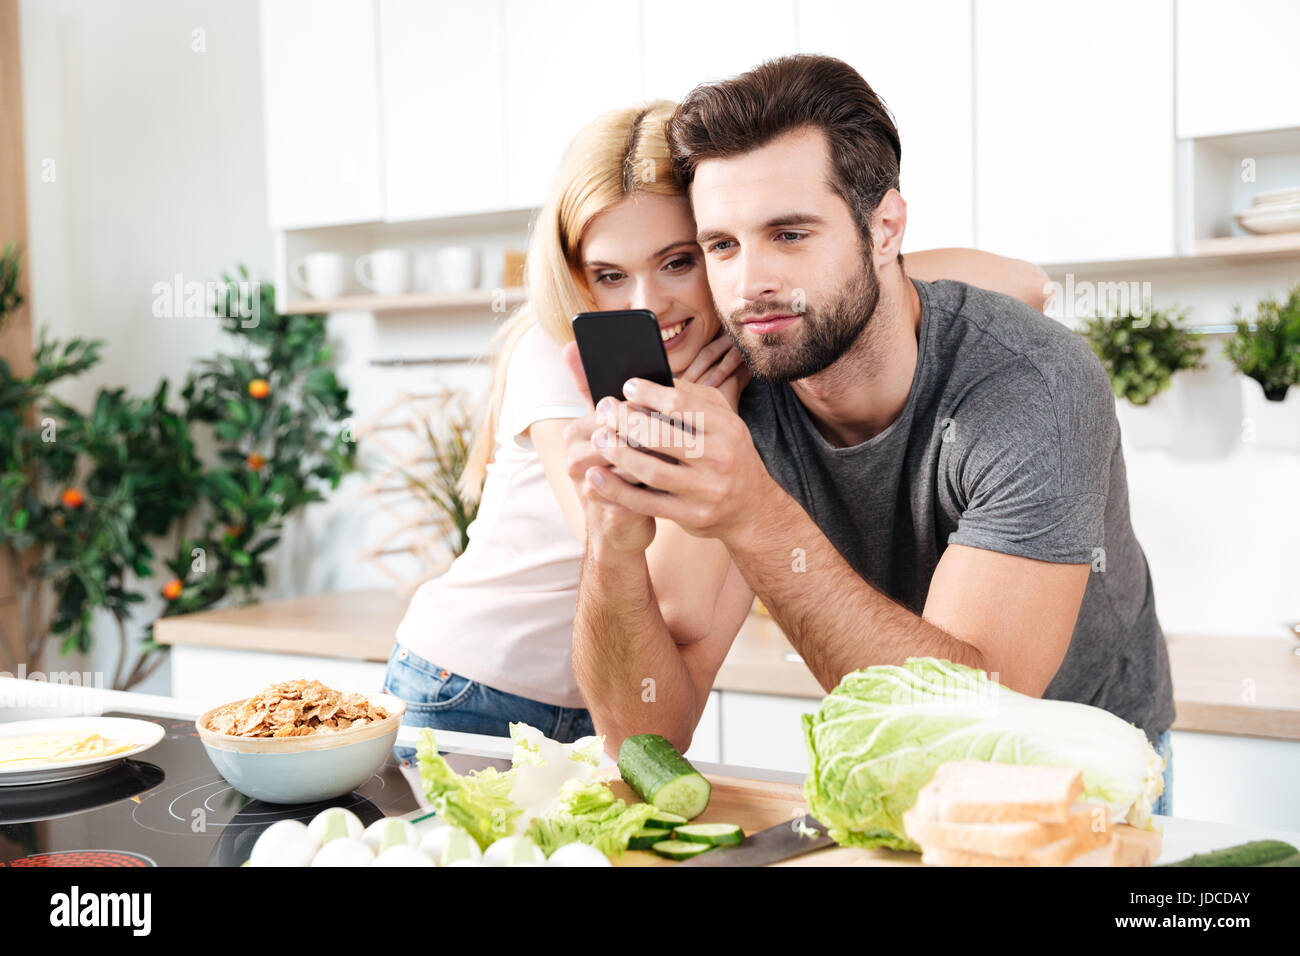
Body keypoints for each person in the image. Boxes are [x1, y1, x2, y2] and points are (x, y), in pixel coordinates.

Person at [564, 56, 1175, 815]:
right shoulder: (737, 390)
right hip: (898, 777)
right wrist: (611, 539)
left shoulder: (1031, 385)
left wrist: (753, 510)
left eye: (789, 234)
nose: (749, 285)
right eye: (721, 245)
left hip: (1084, 772)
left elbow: (972, 727)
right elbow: (647, 732)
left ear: (884, 227)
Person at [384, 97, 1053, 760]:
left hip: (596, 714)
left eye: (679, 261)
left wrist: (844, 277)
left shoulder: (747, 346)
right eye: (610, 275)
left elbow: (1025, 285)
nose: (647, 305)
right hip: (467, 689)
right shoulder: (559, 354)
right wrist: (713, 407)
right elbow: (638, 565)